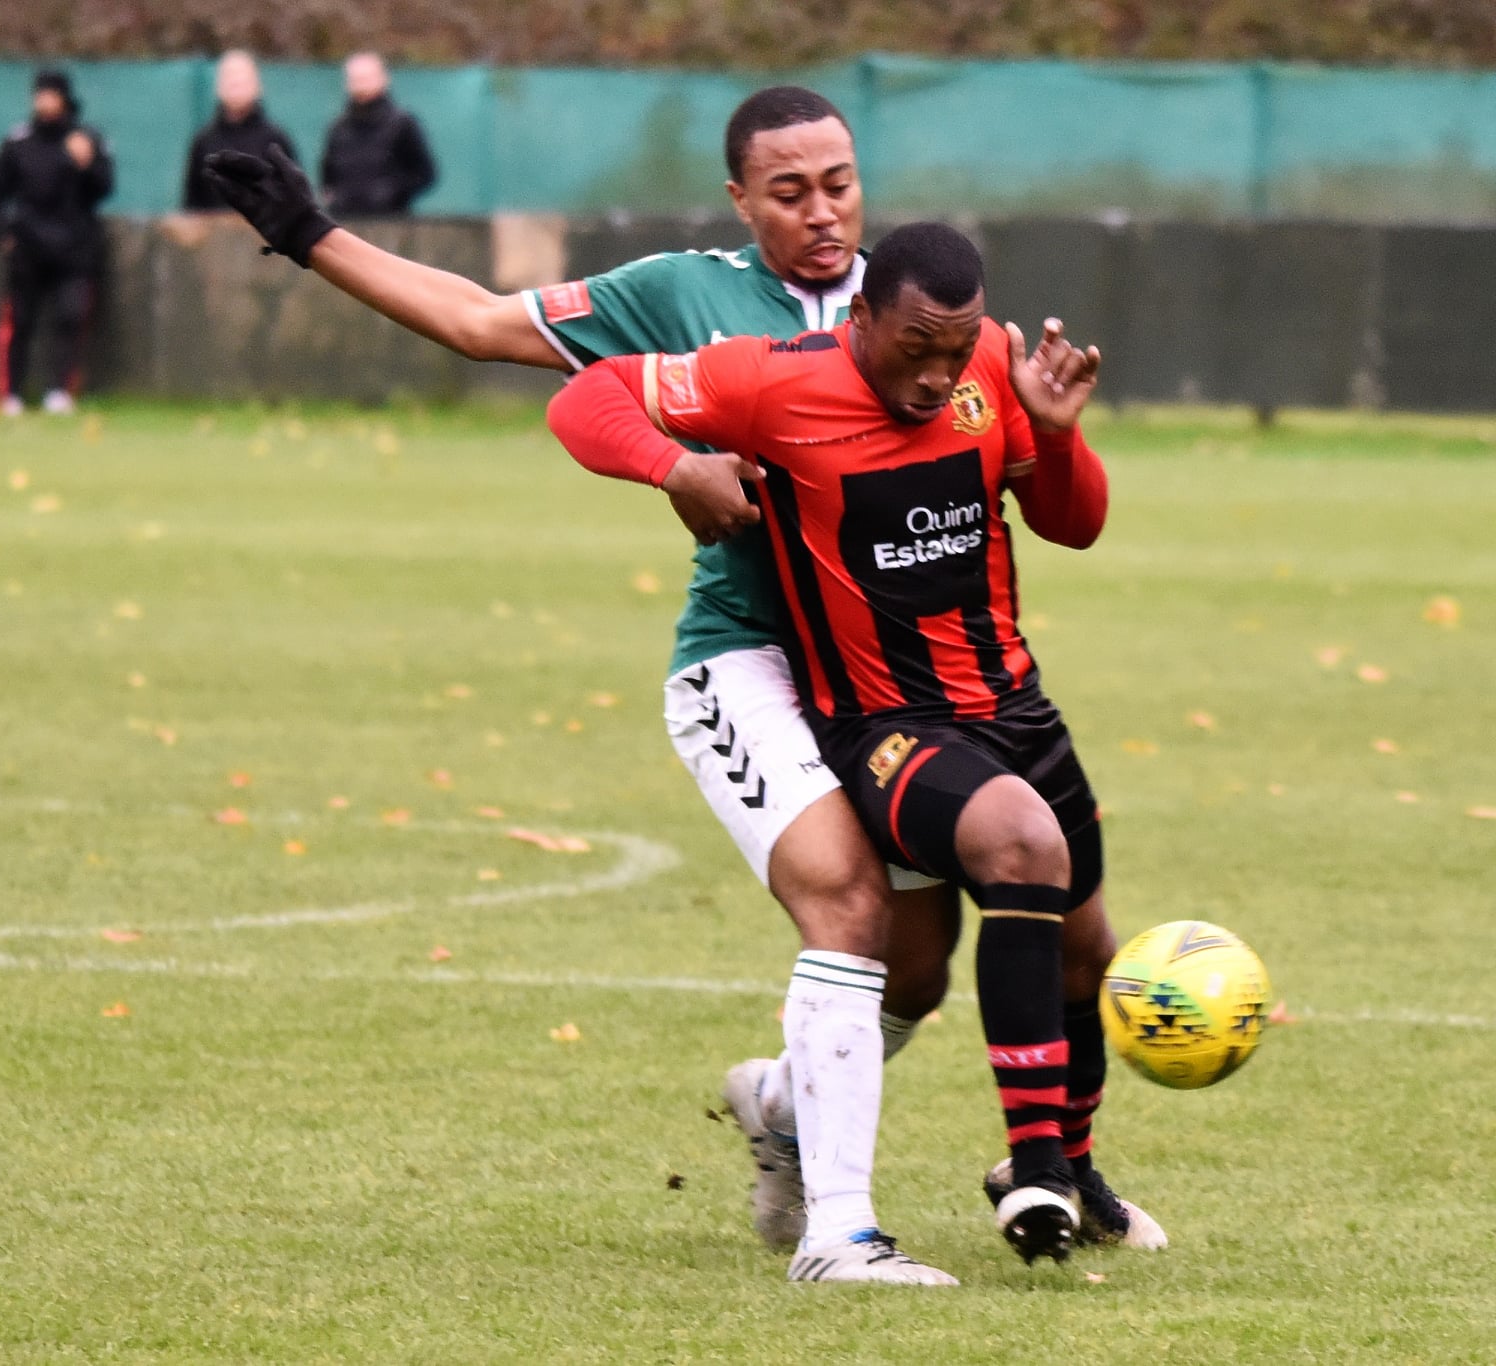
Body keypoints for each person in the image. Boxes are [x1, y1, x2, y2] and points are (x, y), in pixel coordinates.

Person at [201, 85, 1157, 1283]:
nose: (822, 212)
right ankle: (842, 1233)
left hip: (898, 683)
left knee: (919, 968)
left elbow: (1047, 500)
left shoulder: (932, 315)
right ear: (739, 199)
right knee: (848, 908)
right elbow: (483, 324)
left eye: (840, 184)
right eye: (790, 192)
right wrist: (311, 234)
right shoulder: (683, 297)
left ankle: (791, 1107)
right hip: (751, 658)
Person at [547, 222, 1126, 1267]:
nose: (937, 375)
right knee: (1003, 853)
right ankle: (995, 1181)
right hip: (883, 725)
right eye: (916, 347)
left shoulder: (991, 366)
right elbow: (585, 398)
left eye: (956, 351)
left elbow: (1072, 523)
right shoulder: (774, 382)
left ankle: (1056, 1171)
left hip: (1014, 706)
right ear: (861, 316)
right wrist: (674, 467)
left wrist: (1056, 434)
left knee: (1076, 949)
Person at [0, 68, 113, 417]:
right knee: (20, 320)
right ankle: (11, 394)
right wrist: (2, 234)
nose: (45, 102)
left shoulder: (87, 139)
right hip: (28, 250)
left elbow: (104, 188)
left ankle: (59, 392)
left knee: (71, 317)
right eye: (41, 94)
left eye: (52, 95)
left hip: (75, 249)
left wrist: (87, 163)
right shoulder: (18, 142)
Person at [319, 53, 436, 217]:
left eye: (366, 77)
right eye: (355, 78)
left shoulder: (402, 124)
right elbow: (327, 176)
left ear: (383, 79)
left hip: (391, 222)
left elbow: (424, 174)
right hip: (345, 220)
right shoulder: (338, 128)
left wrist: (392, 194)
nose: (360, 84)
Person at [181, 51, 298, 212]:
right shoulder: (203, 142)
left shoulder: (276, 140)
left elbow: (295, 200)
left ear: (258, 85)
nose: (235, 83)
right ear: (218, 85)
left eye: (243, 78)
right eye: (229, 77)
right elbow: (191, 204)